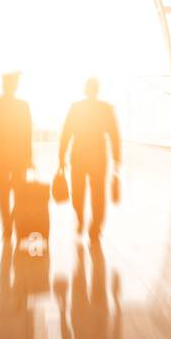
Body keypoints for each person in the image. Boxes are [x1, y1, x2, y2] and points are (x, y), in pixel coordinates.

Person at [58, 78, 121, 238]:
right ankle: (95, 228)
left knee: (77, 192)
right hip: (99, 156)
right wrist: (116, 159)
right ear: (97, 90)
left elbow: (66, 133)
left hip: (78, 155)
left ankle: (80, 219)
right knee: (98, 193)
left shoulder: (76, 108)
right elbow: (114, 135)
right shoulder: (106, 109)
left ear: (85, 90)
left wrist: (61, 156)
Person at [0, 72, 33, 238]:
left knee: (2, 194)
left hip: (0, 158)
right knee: (20, 193)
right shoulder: (23, 106)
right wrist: (30, 158)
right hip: (19, 158)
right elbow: (27, 134)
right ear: (15, 86)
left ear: (3, 86)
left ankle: (7, 227)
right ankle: (14, 221)